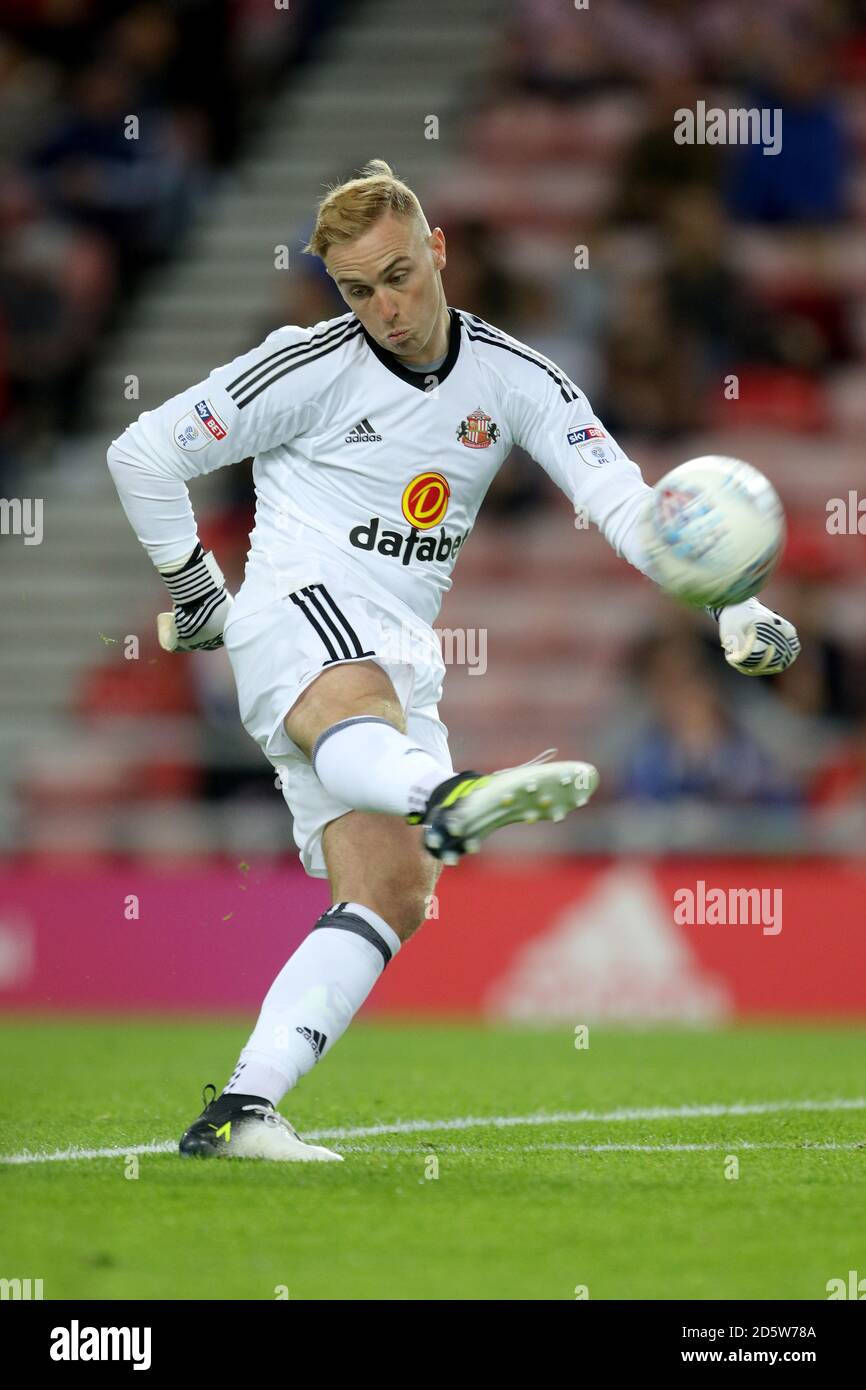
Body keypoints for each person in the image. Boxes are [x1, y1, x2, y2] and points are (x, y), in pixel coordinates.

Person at [106, 159, 800, 1161]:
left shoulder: (514, 378)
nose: (383, 306)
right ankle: (448, 790)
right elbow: (143, 453)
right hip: (294, 612)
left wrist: (733, 600)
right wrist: (197, 594)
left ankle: (240, 1112)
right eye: (356, 289)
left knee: (389, 891)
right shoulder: (305, 367)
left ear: (436, 251)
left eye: (398, 274)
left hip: (395, 650)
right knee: (365, 719)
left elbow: (627, 511)